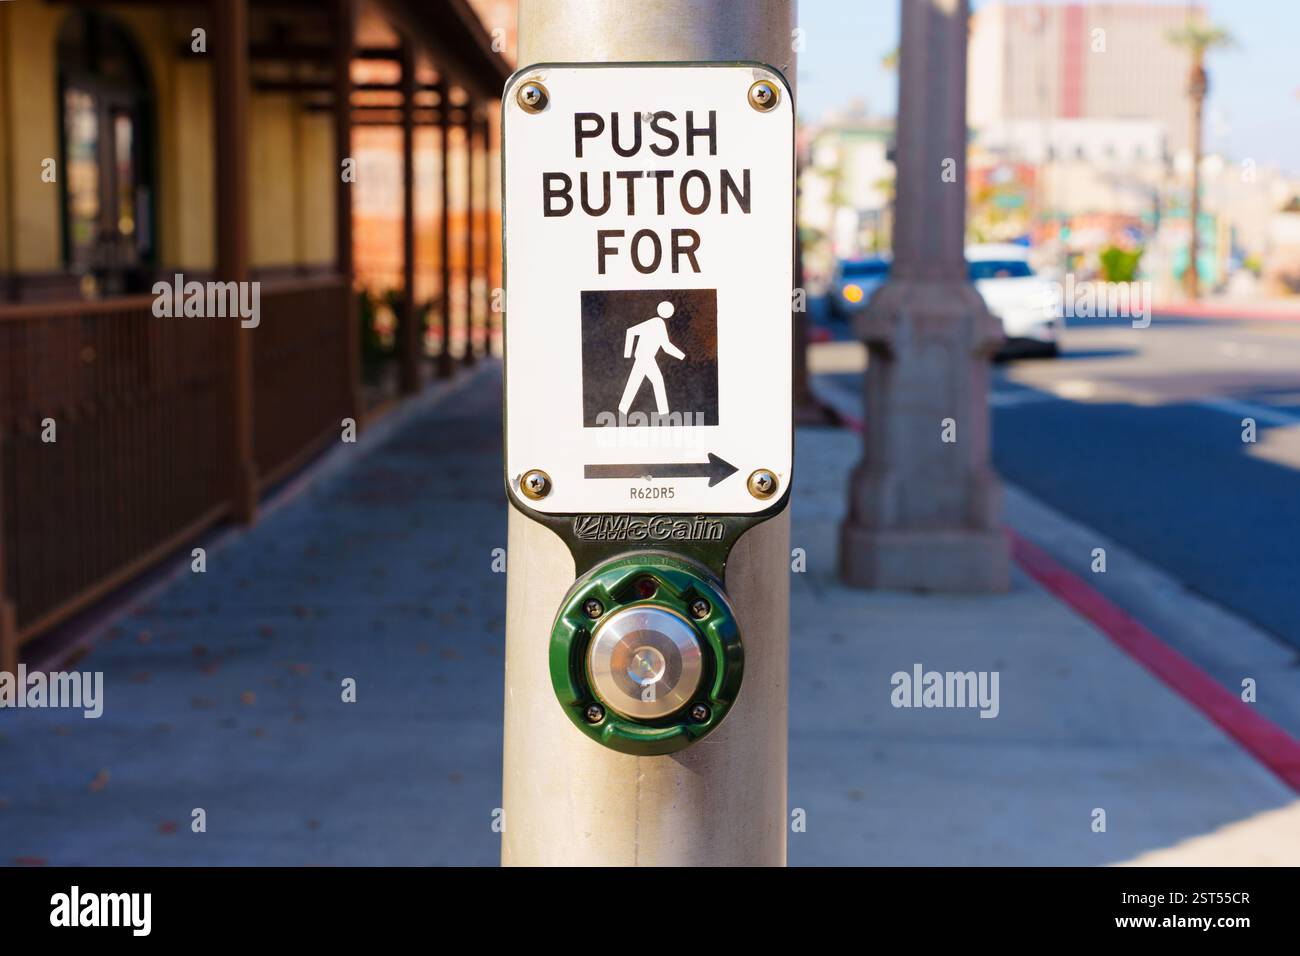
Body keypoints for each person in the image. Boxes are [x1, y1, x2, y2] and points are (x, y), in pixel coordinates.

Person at [618, 300, 685, 416]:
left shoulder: (659, 323)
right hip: (644, 357)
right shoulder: (656, 323)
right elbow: (631, 331)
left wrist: (682, 356)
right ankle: (664, 413)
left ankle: (622, 409)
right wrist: (627, 354)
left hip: (645, 357)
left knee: (638, 382)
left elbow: (666, 347)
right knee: (655, 380)